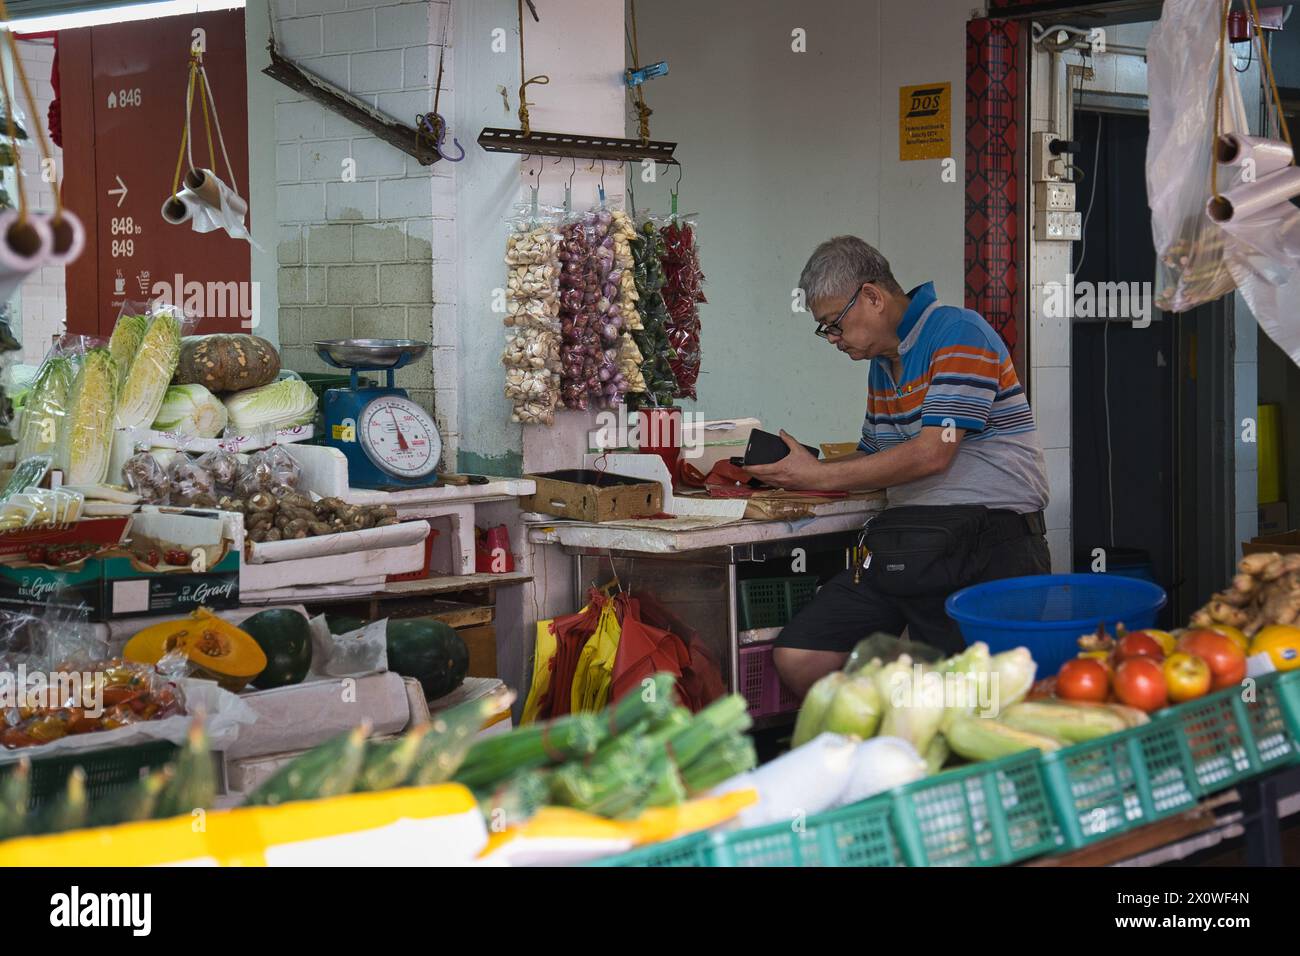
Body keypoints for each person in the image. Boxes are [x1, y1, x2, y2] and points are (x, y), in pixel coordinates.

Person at [746, 236, 1051, 696]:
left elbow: (934, 452)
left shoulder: (958, 333)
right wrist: (794, 474)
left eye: (833, 324)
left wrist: (820, 476)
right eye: (824, 329)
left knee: (980, 697)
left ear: (872, 296)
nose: (832, 339)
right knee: (803, 654)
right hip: (910, 546)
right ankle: (887, 745)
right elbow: (873, 455)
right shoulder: (883, 364)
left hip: (989, 545)